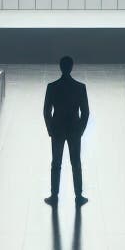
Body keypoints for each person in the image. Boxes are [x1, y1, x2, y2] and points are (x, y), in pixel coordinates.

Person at [43, 55, 90, 206]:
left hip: (57, 129)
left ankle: (54, 195)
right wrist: (81, 129)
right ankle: (78, 195)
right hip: (74, 129)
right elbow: (85, 112)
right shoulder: (80, 87)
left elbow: (46, 111)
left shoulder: (52, 87)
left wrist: (50, 128)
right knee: (76, 163)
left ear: (60, 67)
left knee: (56, 163)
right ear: (72, 67)